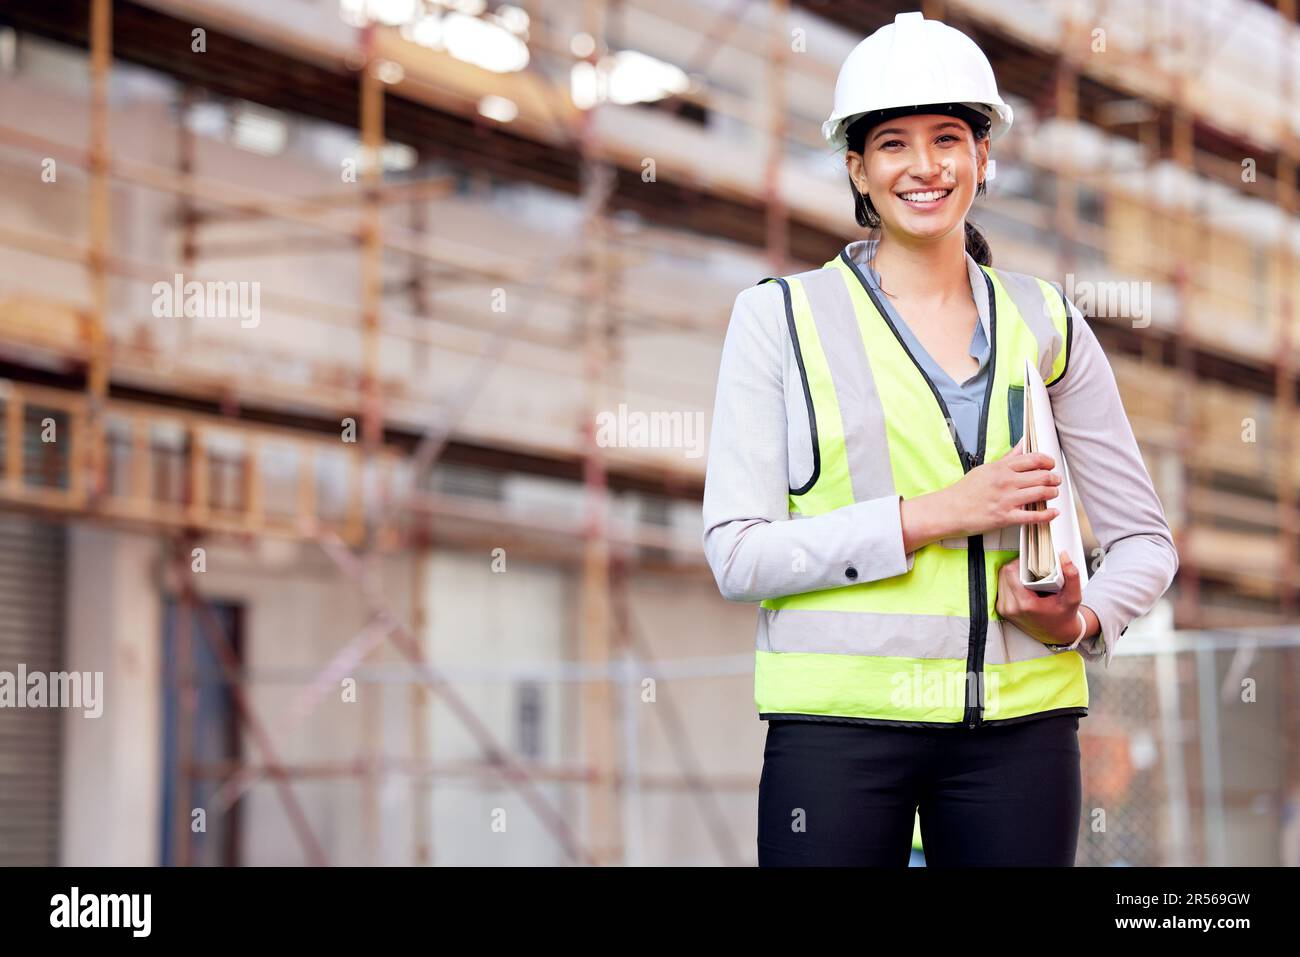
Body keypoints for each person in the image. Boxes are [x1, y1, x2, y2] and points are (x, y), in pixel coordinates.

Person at [701, 12, 1179, 867]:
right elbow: (738, 555)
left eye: (949, 138)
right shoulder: (778, 318)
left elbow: (1145, 541)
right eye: (892, 143)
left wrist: (1082, 619)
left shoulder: (1048, 321)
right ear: (856, 165)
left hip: (1020, 739)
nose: (924, 167)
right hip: (840, 736)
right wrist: (933, 514)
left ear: (983, 156)